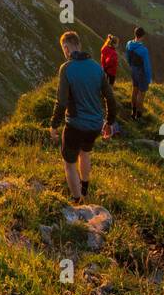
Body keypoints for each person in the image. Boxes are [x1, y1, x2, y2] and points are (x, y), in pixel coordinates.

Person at [49, 31, 117, 202]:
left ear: (66, 48)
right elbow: (110, 97)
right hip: (95, 125)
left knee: (69, 163)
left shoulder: (66, 69)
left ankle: (76, 200)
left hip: (75, 125)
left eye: (63, 49)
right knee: (85, 153)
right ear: (79, 45)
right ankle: (85, 189)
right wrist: (109, 122)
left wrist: (54, 124)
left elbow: (62, 102)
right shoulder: (96, 66)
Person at [125, 26, 153, 119]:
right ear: (142, 36)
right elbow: (147, 66)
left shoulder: (129, 44)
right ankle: (139, 114)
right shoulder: (143, 50)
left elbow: (128, 57)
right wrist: (148, 78)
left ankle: (133, 112)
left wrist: (131, 66)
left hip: (133, 70)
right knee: (141, 94)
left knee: (134, 90)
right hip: (141, 73)